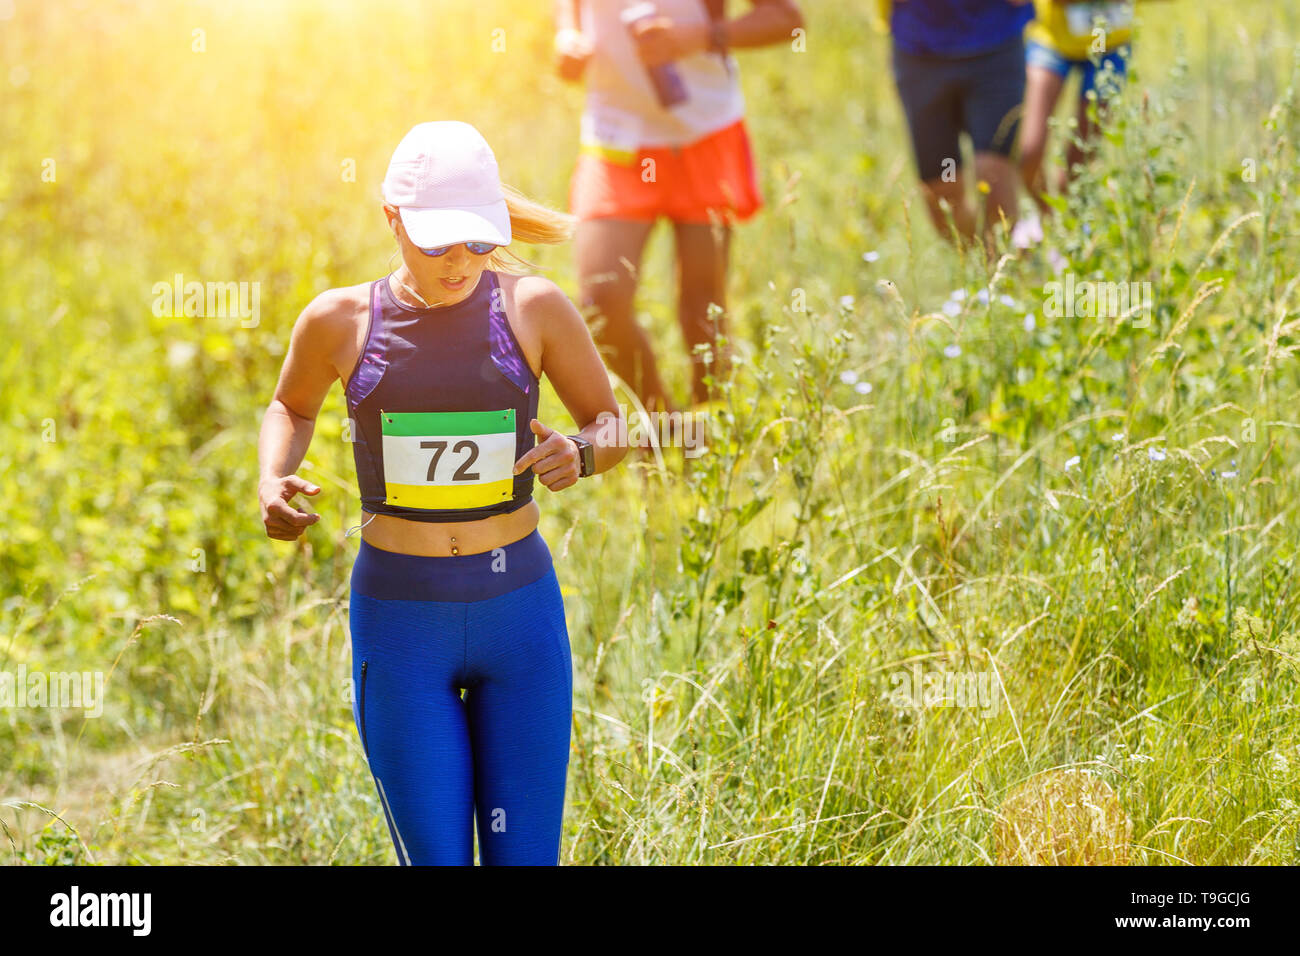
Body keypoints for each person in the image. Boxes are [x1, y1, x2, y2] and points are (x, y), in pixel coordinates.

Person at [257, 121, 627, 865]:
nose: (459, 263)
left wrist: (583, 454)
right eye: (437, 246)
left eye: (478, 243)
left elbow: (612, 423)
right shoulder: (341, 320)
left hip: (516, 615)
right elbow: (291, 407)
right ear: (392, 219)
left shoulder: (534, 308)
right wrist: (272, 476)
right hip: (400, 626)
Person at [554, 0, 804, 415]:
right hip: (617, 137)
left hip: (704, 132)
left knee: (702, 311)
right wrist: (568, 34)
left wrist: (699, 37)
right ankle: (662, 425)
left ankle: (710, 445)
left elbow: (786, 19)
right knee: (600, 302)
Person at [876, 0, 1034, 251]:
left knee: (993, 182)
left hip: (995, 49)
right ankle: (986, 270)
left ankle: (1008, 271)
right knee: (945, 205)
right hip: (920, 55)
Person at [1019, 1, 1154, 213]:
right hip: (1051, 40)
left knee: (1078, 164)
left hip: (1109, 45)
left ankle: (1064, 227)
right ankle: (1044, 215)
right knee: (1029, 152)